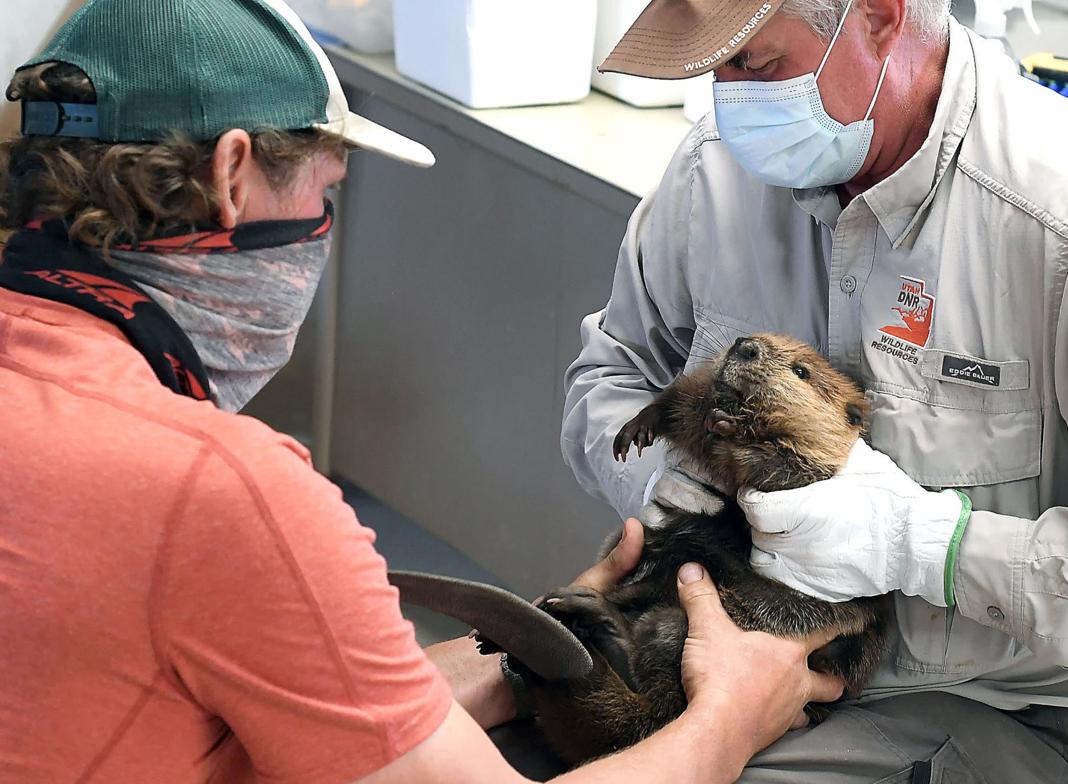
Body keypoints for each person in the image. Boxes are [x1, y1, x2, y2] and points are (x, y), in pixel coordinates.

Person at [0, 0, 848, 782]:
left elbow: (318, 704)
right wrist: (732, 716)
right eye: (328, 186)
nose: (324, 228)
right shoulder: (221, 491)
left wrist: (526, 652)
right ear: (232, 176)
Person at [562, 0, 1068, 781]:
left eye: (755, 65)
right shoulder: (714, 176)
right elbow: (610, 372)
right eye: (712, 71)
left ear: (879, 16)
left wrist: (931, 546)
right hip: (730, 638)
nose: (728, 105)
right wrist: (656, 478)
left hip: (1010, 707)